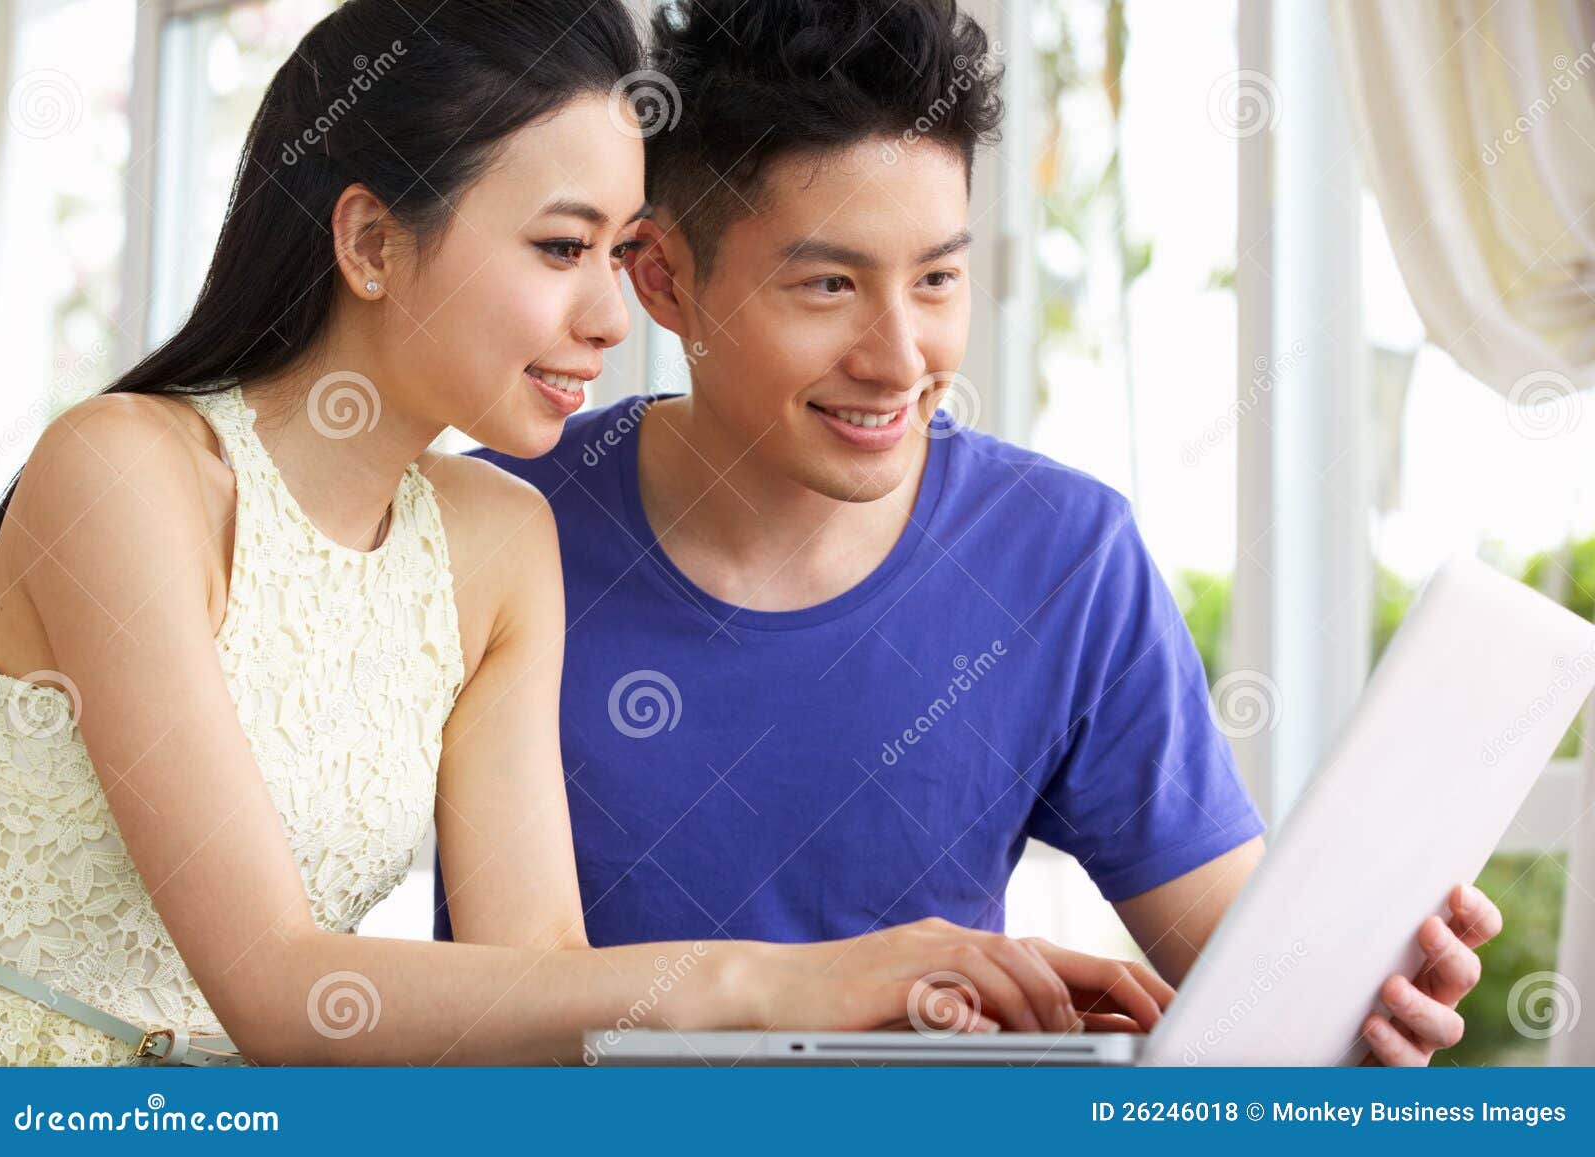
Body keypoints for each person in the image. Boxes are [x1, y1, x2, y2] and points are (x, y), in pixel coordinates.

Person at [0, 0, 1141, 1068]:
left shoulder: (498, 536)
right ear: (372, 243)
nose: (608, 317)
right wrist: (781, 981)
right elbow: (276, 987)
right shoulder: (124, 473)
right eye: (559, 248)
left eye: (618, 250)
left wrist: (906, 1006)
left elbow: (538, 980)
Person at [433, 0, 1502, 1065]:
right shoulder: (489, 531)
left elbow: (1254, 991)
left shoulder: (1062, 558)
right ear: (662, 277)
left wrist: (1354, 1007)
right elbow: (468, 1018)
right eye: (830, 284)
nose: (901, 357)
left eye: (938, 276)